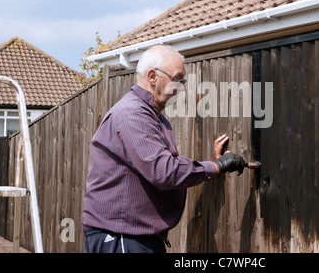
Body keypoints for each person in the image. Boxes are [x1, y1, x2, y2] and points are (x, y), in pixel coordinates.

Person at [82, 44, 251, 253]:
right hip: (121, 238)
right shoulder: (134, 116)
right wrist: (217, 166)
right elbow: (164, 172)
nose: (182, 88)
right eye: (178, 79)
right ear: (153, 76)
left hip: (133, 236)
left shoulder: (148, 115)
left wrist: (211, 165)